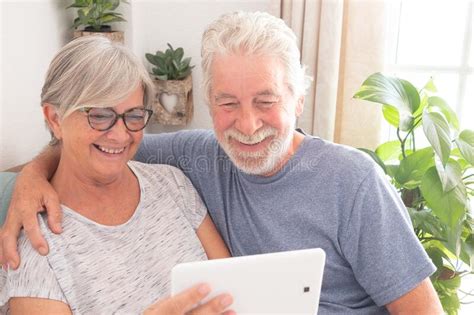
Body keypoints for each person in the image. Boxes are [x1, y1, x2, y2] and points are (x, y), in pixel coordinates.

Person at [1, 11, 442, 314]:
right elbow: (100, 148)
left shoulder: (352, 180)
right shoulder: (189, 159)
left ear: (299, 99)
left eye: (266, 101)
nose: (247, 126)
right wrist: (31, 179)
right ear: (208, 103)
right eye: (228, 102)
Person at [0, 36, 235, 315]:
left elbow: (234, 290)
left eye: (134, 115)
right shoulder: (38, 246)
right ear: (54, 119)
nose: (121, 134)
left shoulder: (172, 184)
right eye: (99, 115)